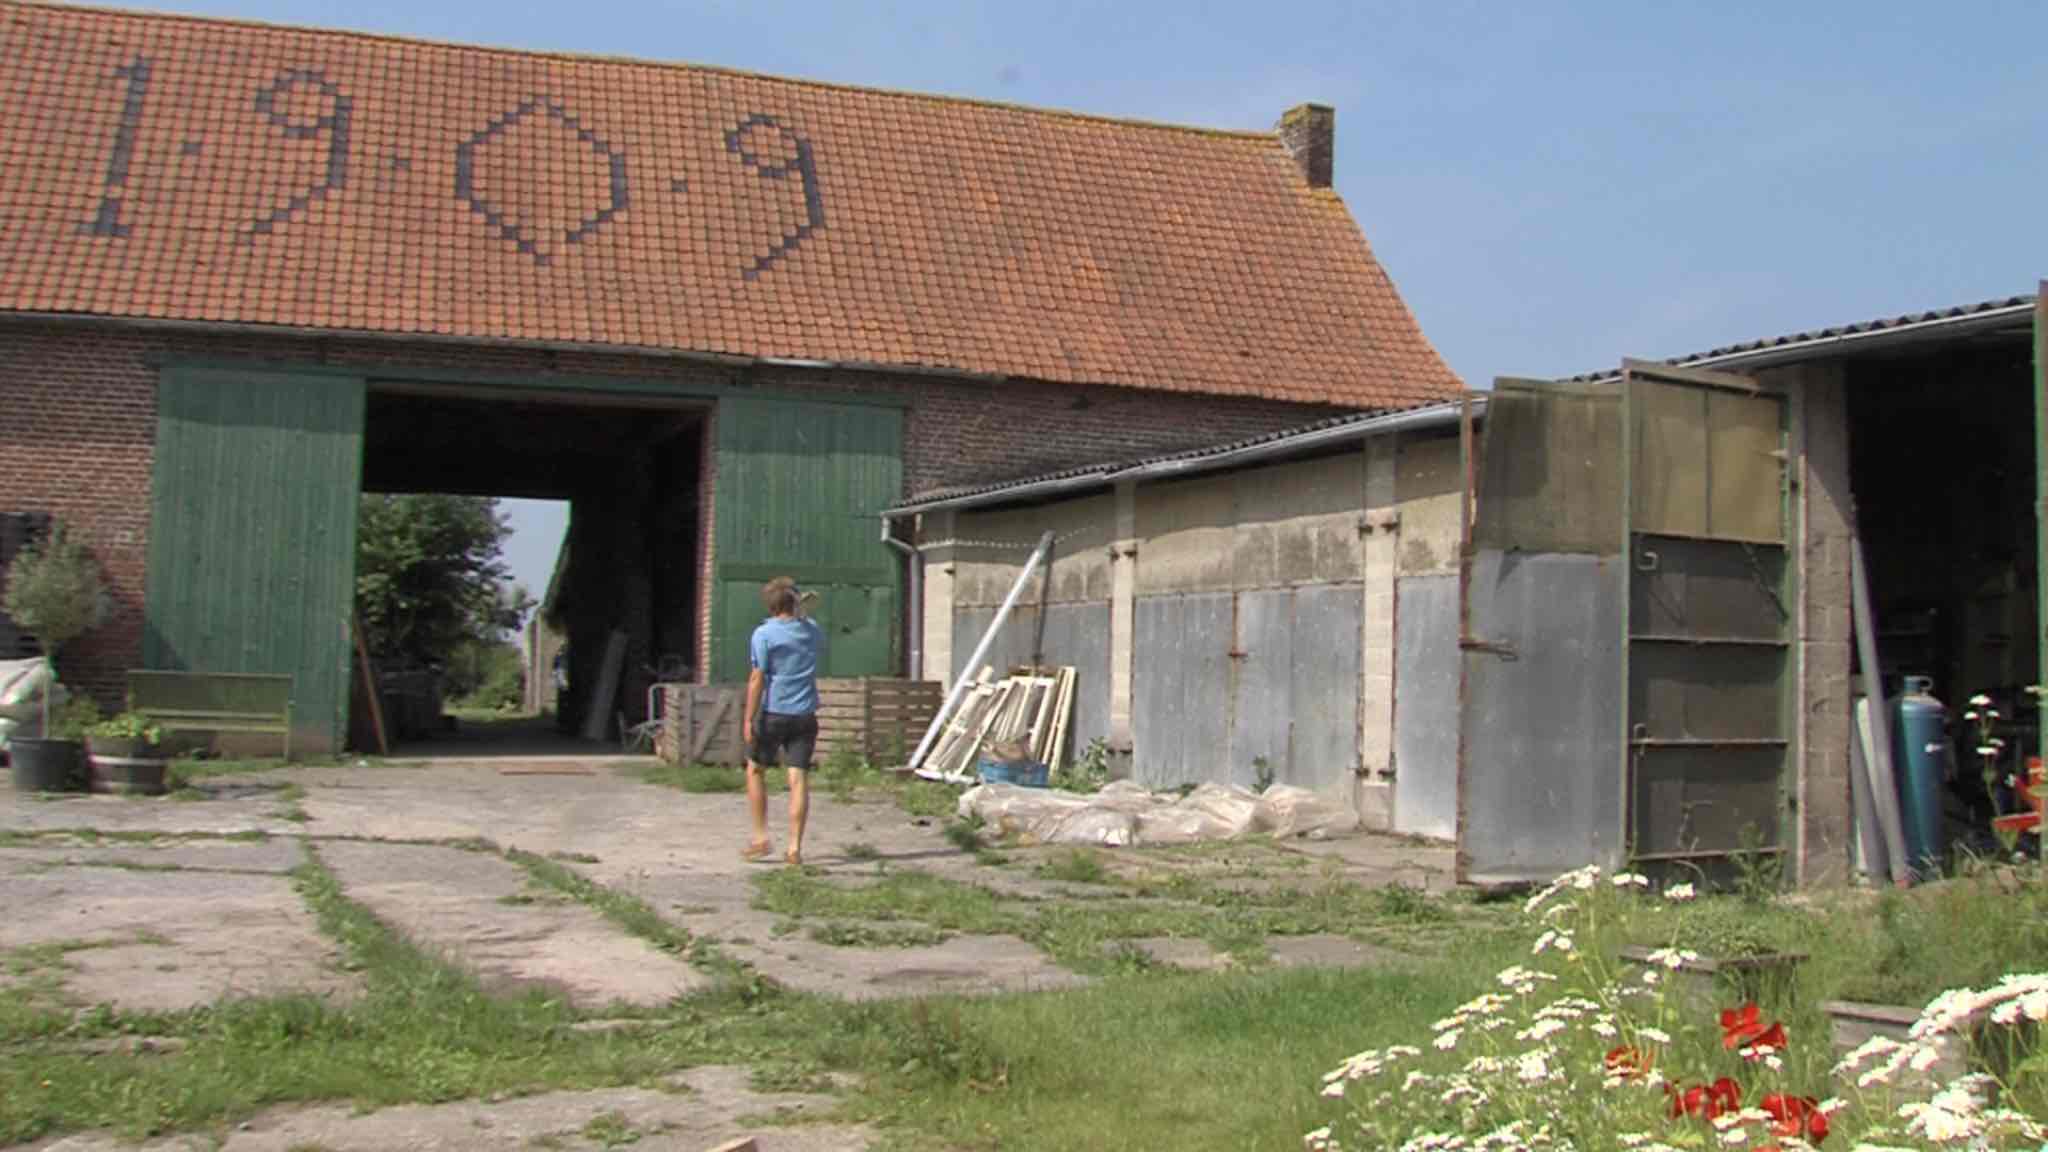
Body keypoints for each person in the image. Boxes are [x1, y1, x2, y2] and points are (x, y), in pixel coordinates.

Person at [742, 577, 825, 865]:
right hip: (805, 715)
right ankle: (794, 848)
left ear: (770, 605)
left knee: (755, 770)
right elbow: (809, 632)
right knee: (798, 779)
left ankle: (761, 837)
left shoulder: (763, 634)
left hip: (774, 713)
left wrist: (748, 719)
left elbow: (757, 678)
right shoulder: (812, 631)